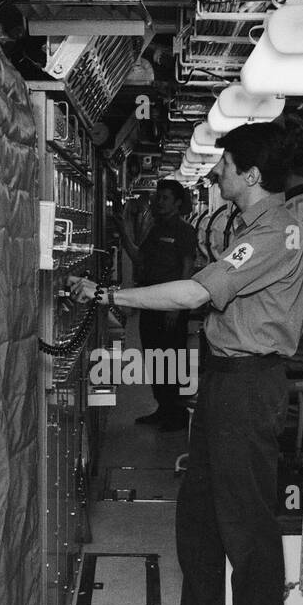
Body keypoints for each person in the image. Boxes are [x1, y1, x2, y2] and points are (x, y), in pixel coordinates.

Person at [70, 122, 303, 605]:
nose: (217, 171)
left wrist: (109, 294)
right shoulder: (253, 225)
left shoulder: (271, 234)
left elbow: (196, 292)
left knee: (245, 514)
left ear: (249, 175)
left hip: (250, 385)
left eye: (225, 164)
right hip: (227, 378)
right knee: (198, 506)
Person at [115, 180, 197, 432]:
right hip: (151, 302)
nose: (159, 202)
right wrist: (123, 233)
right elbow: (140, 257)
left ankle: (177, 413)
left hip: (171, 306)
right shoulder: (155, 229)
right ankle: (163, 408)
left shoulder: (184, 231)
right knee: (153, 356)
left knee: (171, 358)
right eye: (158, 198)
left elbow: (187, 268)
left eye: (164, 198)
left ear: (177, 203)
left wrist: (177, 307)